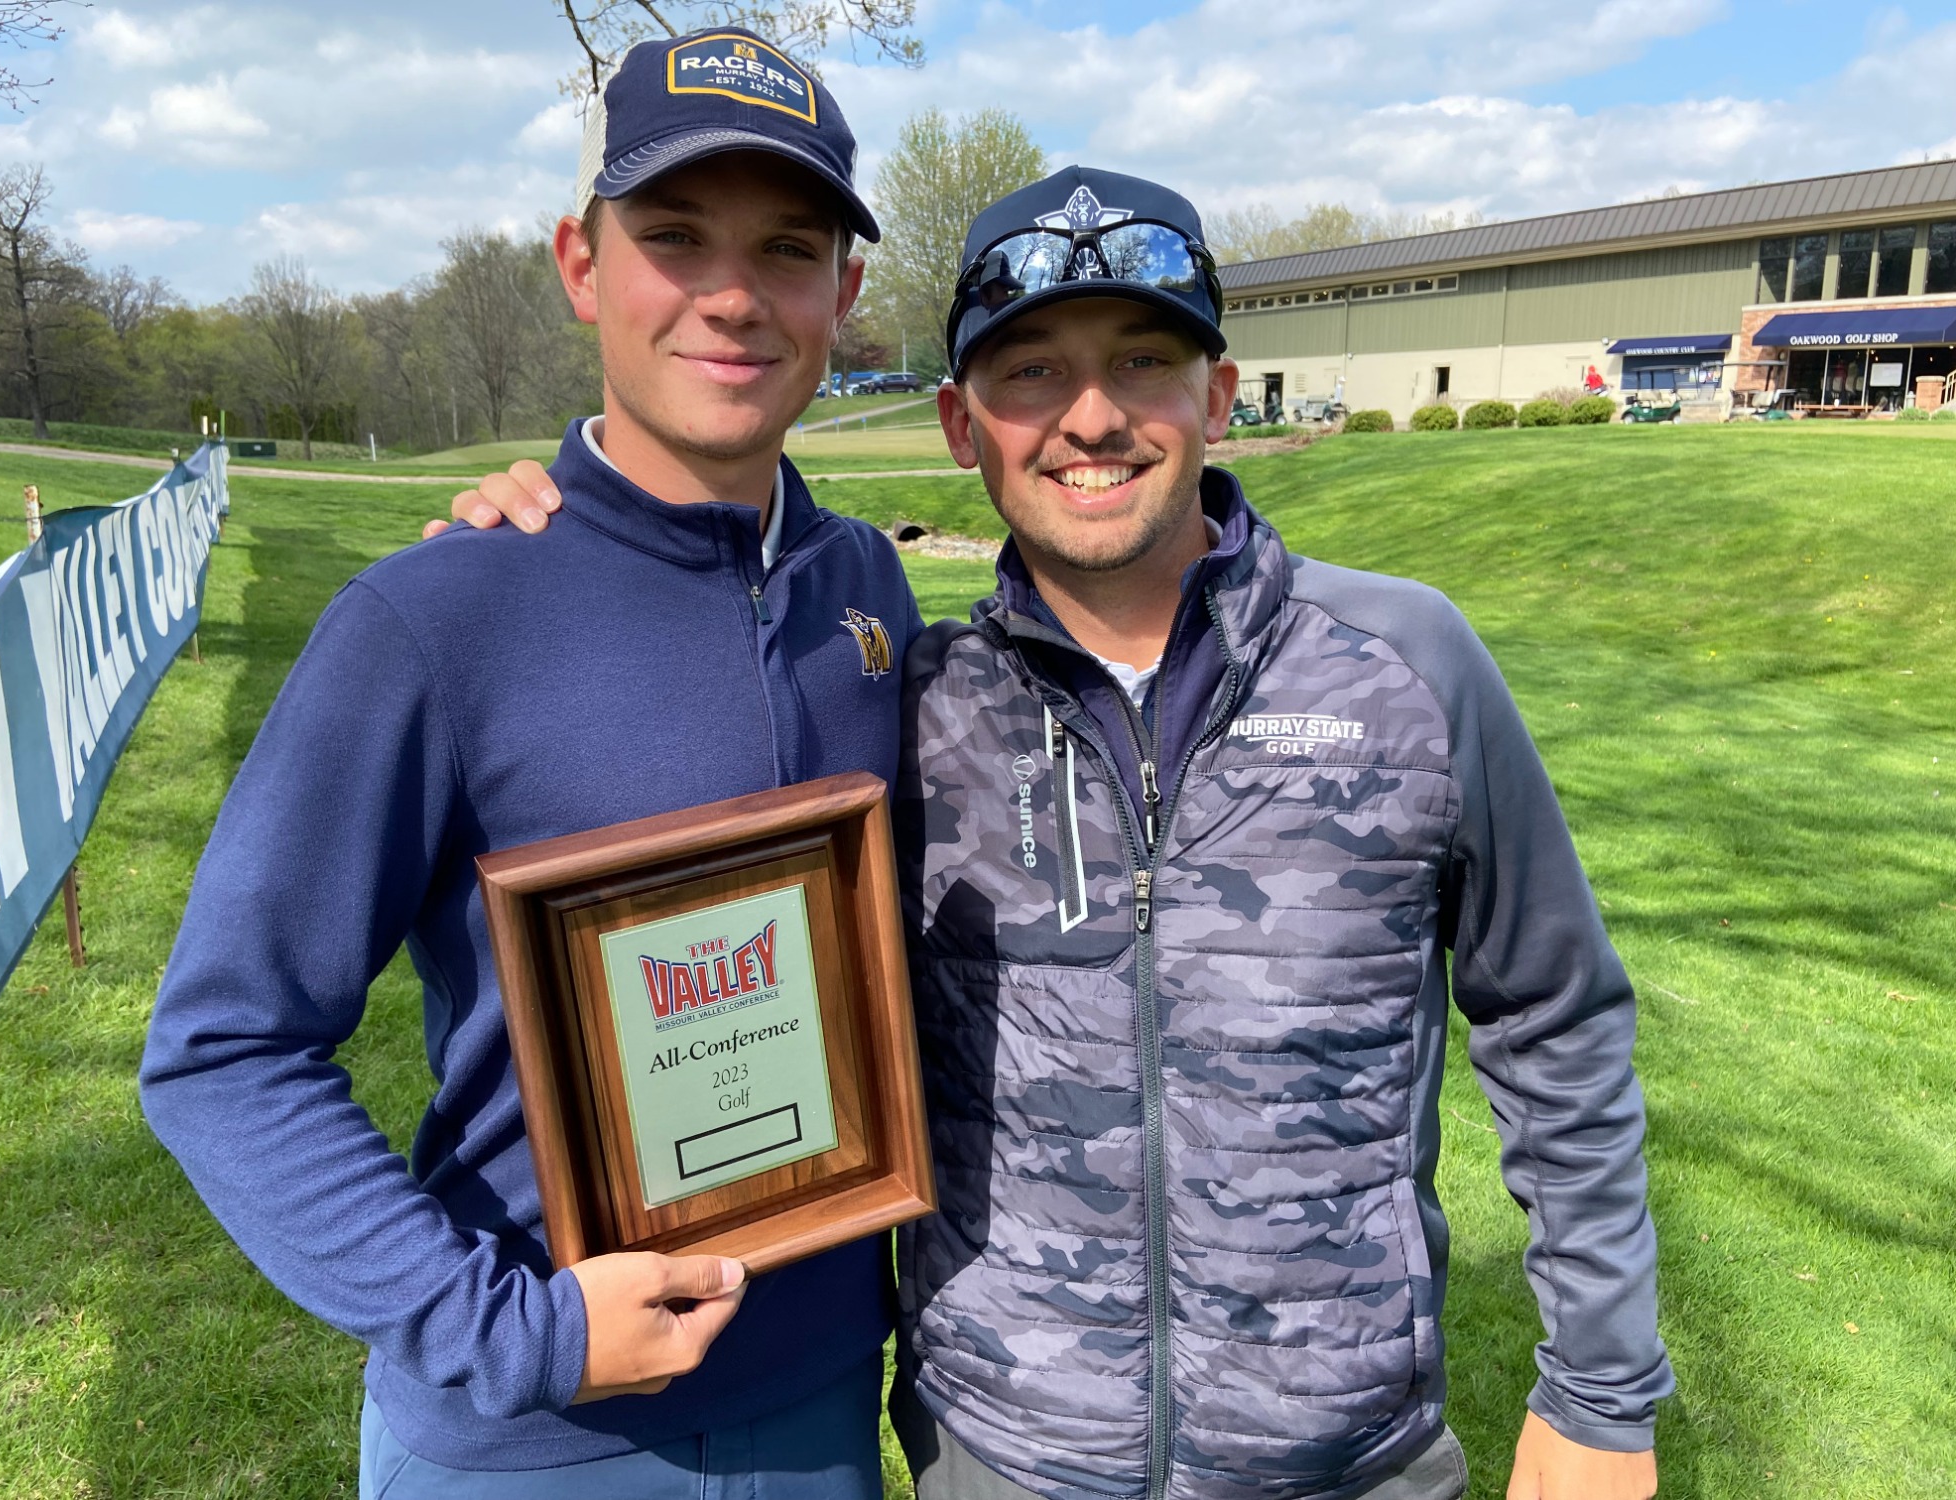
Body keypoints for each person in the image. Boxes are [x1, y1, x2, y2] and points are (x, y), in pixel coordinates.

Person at [449, 166, 1675, 1500]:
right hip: (1003, 1457)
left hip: (1350, 1461)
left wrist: (1601, 1396)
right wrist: (543, 553)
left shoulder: (1405, 665)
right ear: (961, 426)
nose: (1091, 418)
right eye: (1028, 373)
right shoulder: (905, 708)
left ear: (1218, 394)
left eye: (1143, 359)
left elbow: (1556, 1021)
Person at [139, 28, 916, 1498]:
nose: (735, 296)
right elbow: (223, 1049)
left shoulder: (864, 588)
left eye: (790, 249)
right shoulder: (434, 617)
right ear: (580, 264)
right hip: (531, 1445)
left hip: (822, 1413)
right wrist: (517, 1333)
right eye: (675, 238)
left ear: (847, 294)